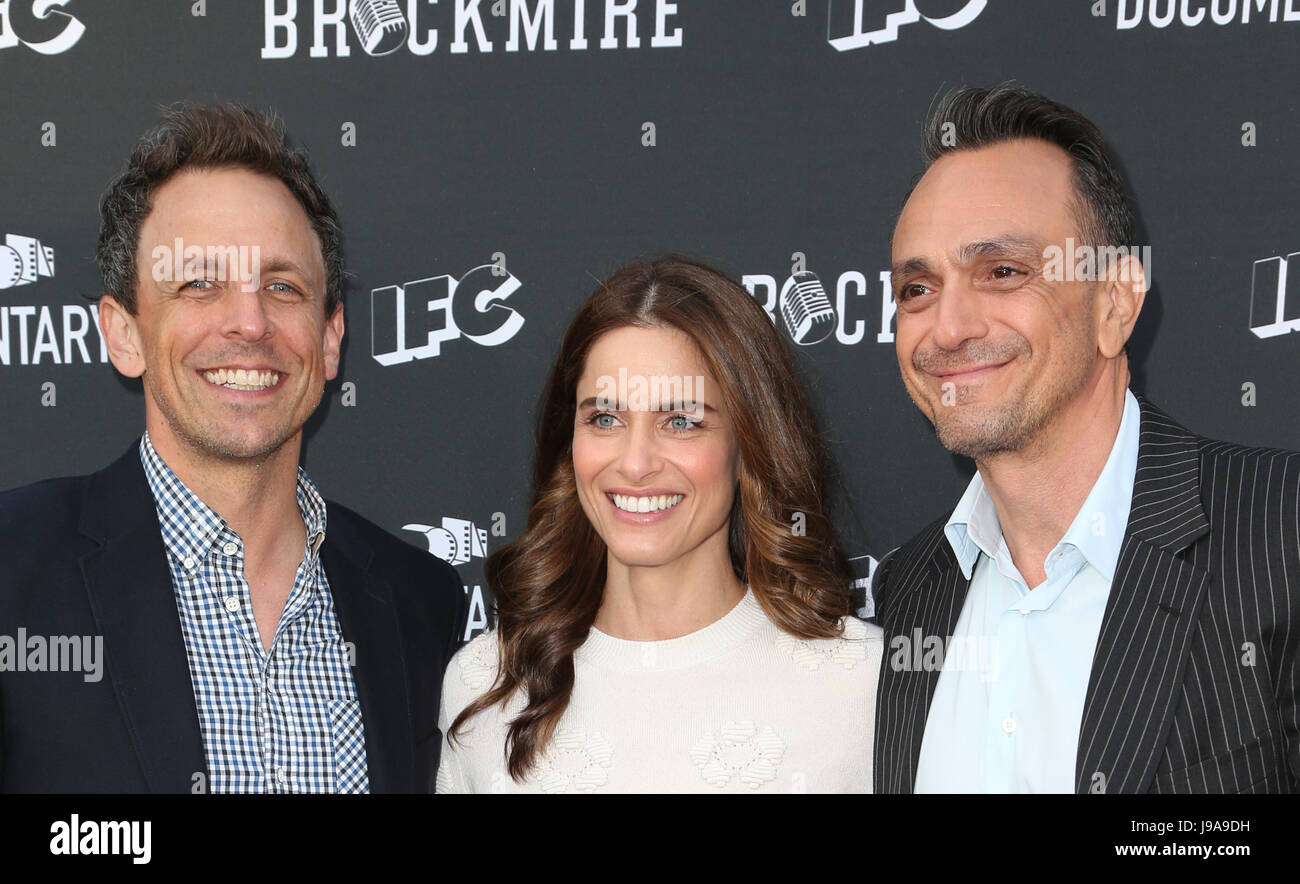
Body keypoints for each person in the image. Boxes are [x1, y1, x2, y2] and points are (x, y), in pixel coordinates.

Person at [0, 103, 465, 793]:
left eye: (281, 286)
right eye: (199, 284)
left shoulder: (420, 604)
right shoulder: (12, 570)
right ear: (124, 333)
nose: (249, 323)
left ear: (331, 338)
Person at [873, 83, 1300, 793]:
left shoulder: (1282, 534)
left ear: (1116, 305)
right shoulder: (909, 591)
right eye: (918, 288)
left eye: (1002, 272)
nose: (947, 328)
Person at [436, 257, 882, 793]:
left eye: (681, 421)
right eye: (606, 418)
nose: (635, 461)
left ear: (748, 445)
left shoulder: (864, 684)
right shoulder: (485, 682)